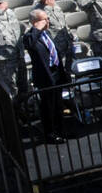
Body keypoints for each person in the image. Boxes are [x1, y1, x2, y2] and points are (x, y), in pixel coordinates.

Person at [17, 8, 69, 143]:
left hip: (56, 72)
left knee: (58, 104)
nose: (48, 21)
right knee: (48, 106)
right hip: (45, 76)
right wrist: (37, 29)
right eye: (45, 19)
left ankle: (61, 130)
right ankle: (50, 134)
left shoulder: (46, 34)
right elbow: (29, 43)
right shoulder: (30, 36)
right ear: (36, 22)